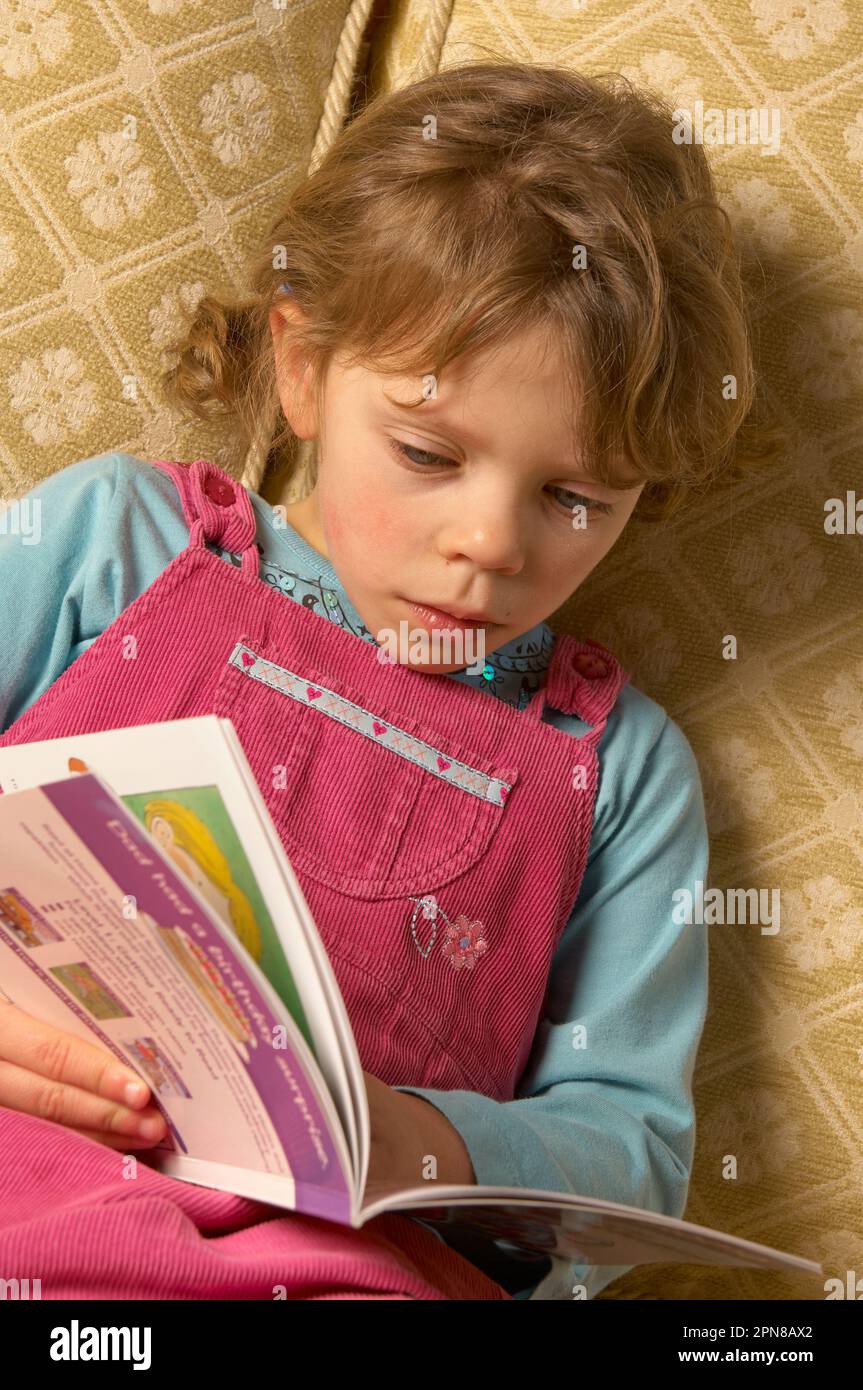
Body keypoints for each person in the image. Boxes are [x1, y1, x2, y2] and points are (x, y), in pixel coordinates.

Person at [0, 60, 781, 1300]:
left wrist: (413, 1137)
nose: (492, 544)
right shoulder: (112, 545)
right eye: (427, 451)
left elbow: (630, 1152)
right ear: (301, 366)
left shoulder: (620, 773)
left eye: (574, 497)